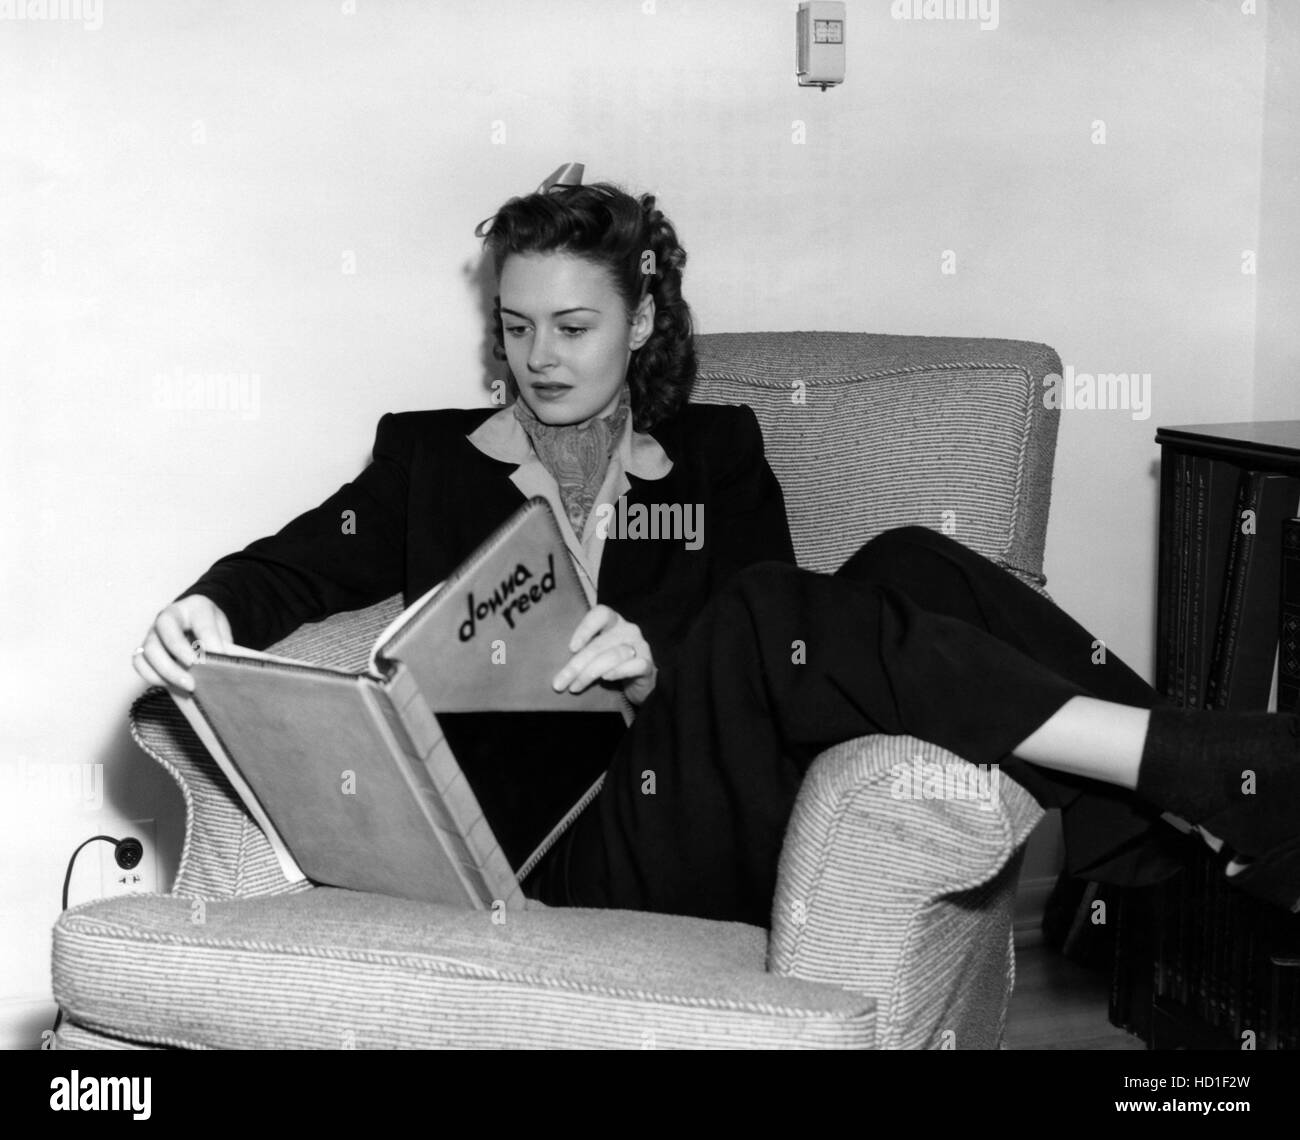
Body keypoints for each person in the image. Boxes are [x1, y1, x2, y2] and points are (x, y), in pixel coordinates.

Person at [132, 164, 1300, 926]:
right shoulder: (429, 460)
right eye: (517, 326)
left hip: (708, 801)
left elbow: (780, 642)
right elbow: (300, 559)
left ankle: (1182, 803)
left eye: (576, 326)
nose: (541, 357)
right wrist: (210, 607)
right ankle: (1197, 784)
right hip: (564, 863)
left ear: (640, 322)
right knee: (778, 610)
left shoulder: (714, 452)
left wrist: (649, 667)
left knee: (907, 561)